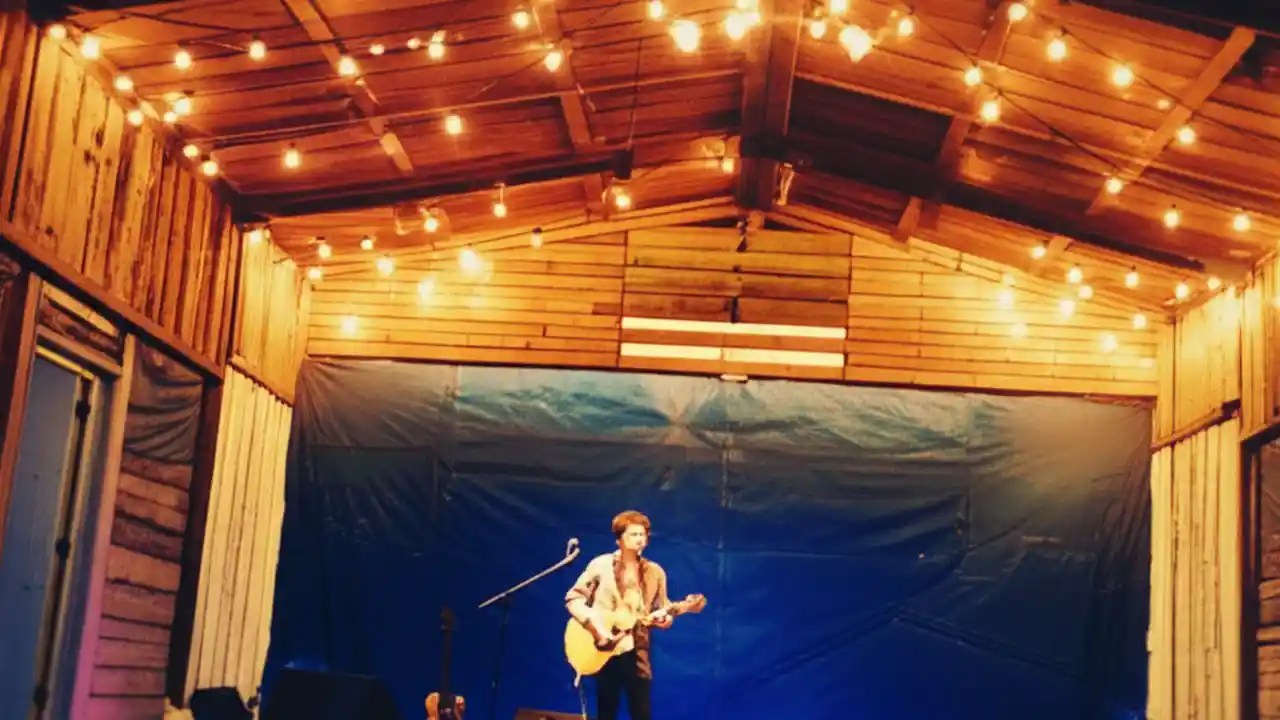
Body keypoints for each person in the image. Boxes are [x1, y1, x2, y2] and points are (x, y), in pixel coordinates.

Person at [565, 510, 672, 720]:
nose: (640, 539)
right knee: (607, 710)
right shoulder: (600, 565)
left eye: (643, 535)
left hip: (637, 649)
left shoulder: (655, 572)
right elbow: (573, 598)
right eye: (633, 534)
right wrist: (593, 625)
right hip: (606, 647)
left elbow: (663, 607)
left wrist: (666, 618)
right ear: (619, 539)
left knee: (641, 711)